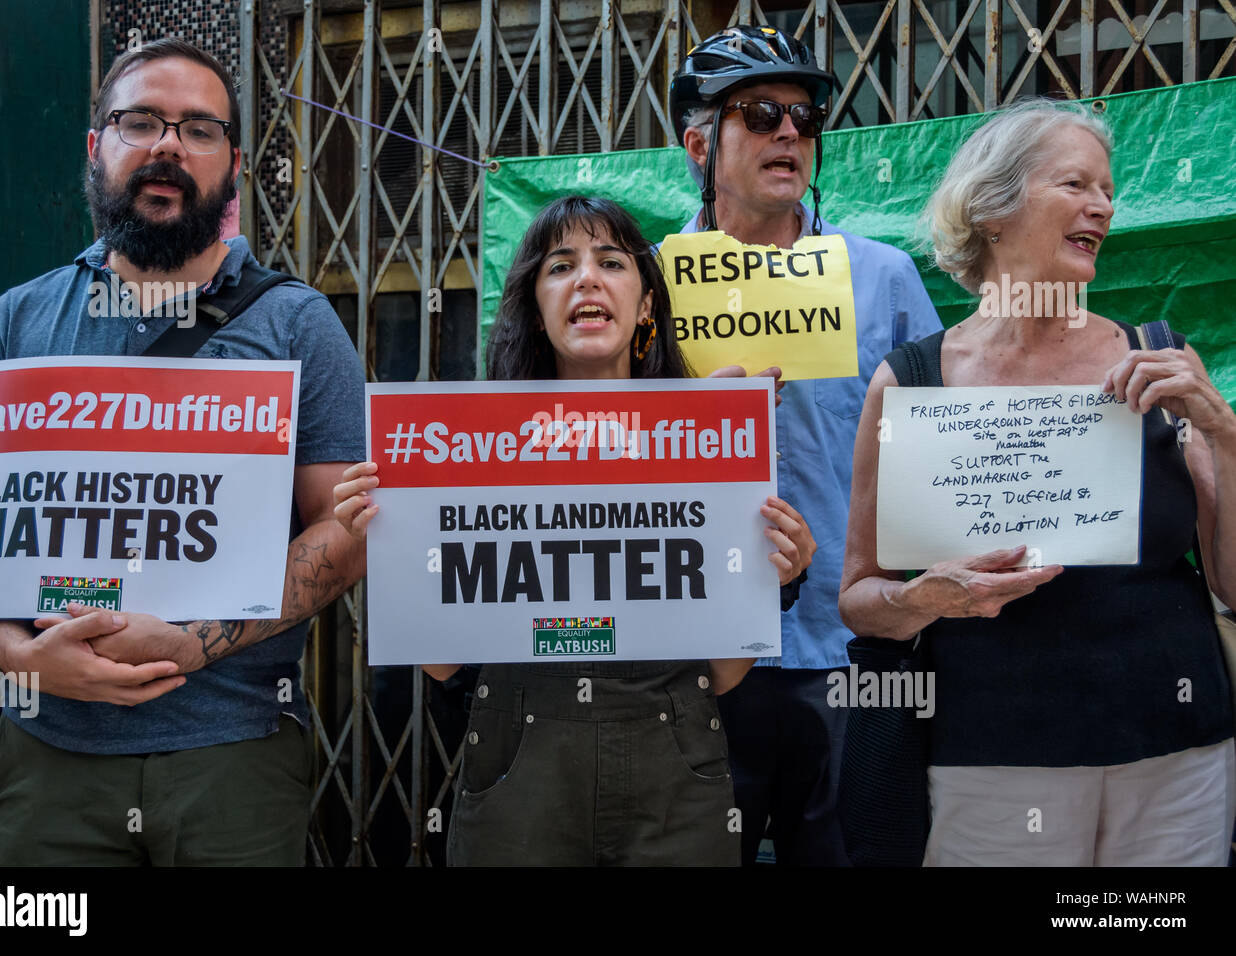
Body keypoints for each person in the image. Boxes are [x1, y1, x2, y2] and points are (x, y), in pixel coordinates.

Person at [0, 39, 366, 865]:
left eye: (199, 129)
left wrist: (197, 642)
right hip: (46, 763)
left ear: (236, 163)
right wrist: (18, 659)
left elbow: (345, 531)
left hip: (233, 758)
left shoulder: (298, 325)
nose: (168, 146)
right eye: (139, 120)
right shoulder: (15, 323)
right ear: (95, 147)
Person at [334, 195, 815, 865]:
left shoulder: (710, 444)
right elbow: (447, 665)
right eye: (560, 266)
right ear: (536, 306)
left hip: (678, 770)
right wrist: (383, 545)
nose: (587, 279)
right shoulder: (462, 451)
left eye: (611, 262)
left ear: (647, 303)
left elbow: (725, 677)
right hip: (516, 771)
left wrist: (778, 575)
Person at [839, 99, 1236, 865]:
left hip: (1175, 752)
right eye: (1076, 185)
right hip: (989, 754)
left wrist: (1223, 433)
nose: (1103, 208)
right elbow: (861, 599)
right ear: (993, 208)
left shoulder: (1158, 357)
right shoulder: (912, 381)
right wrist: (924, 598)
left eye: (1108, 192)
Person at [668, 25, 943, 865]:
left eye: (806, 116)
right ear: (699, 144)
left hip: (847, 646)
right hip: (697, 651)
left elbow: (934, 456)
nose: (790, 132)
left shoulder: (884, 275)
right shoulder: (644, 283)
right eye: (760, 113)